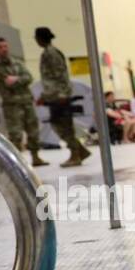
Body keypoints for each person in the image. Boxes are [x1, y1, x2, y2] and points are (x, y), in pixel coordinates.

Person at [34, 26, 90, 167]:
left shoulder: (51, 54)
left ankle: (76, 154)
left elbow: (59, 77)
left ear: (40, 39)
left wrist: (62, 94)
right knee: (60, 125)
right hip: (55, 96)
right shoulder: (48, 53)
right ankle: (79, 151)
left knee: (63, 126)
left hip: (59, 96)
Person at [0, 36, 47, 167]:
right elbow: (4, 81)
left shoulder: (17, 63)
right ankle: (17, 162)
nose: (4, 49)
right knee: (15, 134)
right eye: (0, 47)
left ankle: (36, 156)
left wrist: (17, 79)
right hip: (11, 105)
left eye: (5, 46)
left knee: (33, 130)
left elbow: (29, 77)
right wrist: (16, 80)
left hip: (26, 101)